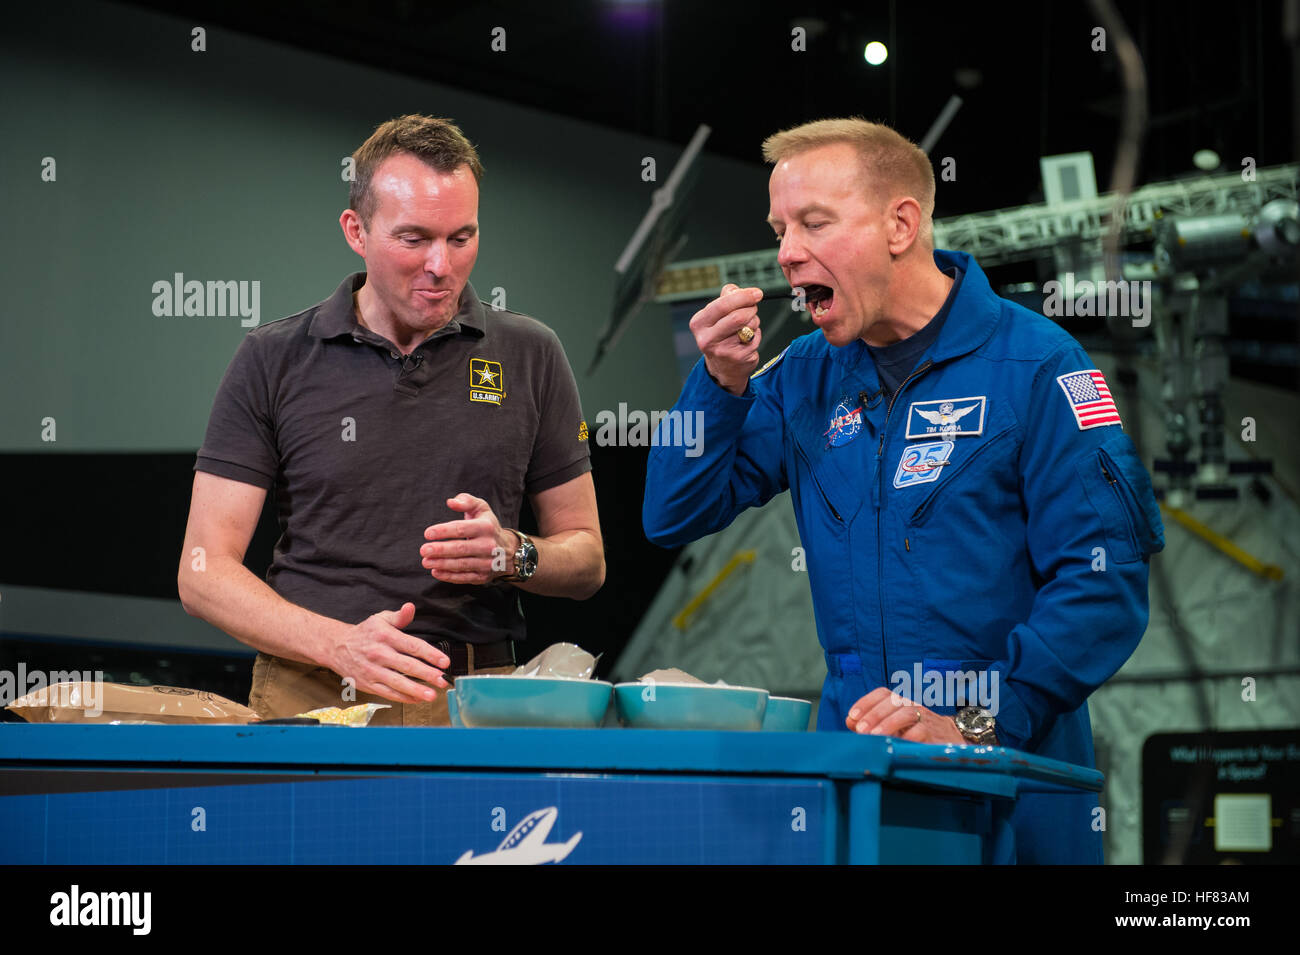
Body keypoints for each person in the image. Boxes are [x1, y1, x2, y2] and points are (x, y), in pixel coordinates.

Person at [641, 118, 1164, 863]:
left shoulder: (1039, 365)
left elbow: (1103, 581)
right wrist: (717, 386)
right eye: (780, 228)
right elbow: (671, 513)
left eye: (814, 222)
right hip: (858, 788)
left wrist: (980, 721)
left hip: (1012, 790)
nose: (787, 251)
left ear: (901, 223)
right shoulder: (803, 379)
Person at [179, 114, 604, 726]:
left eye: (462, 238)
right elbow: (202, 572)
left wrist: (514, 555)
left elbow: (588, 560)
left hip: (479, 698)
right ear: (357, 230)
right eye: (414, 239)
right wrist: (337, 644)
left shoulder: (531, 353)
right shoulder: (272, 357)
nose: (442, 266)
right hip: (312, 692)